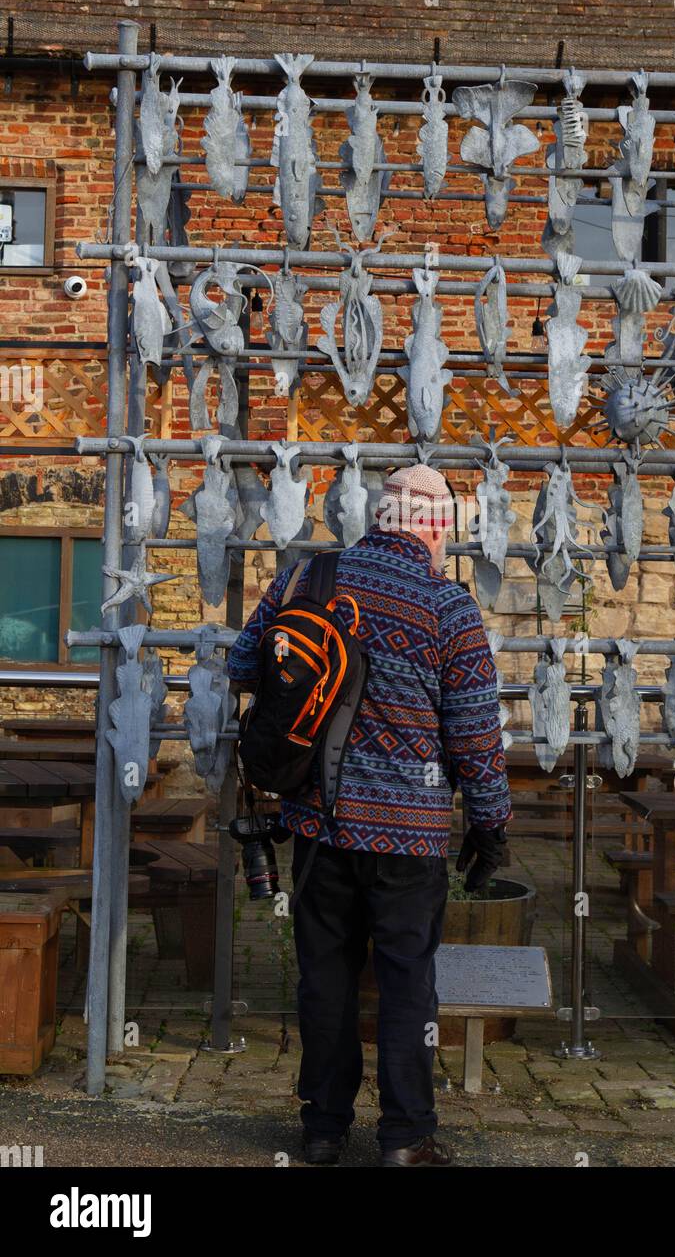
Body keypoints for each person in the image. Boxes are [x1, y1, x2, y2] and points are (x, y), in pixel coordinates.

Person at [227, 463, 512, 1167]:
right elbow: (476, 736)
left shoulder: (305, 579)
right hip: (409, 839)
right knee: (407, 983)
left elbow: (242, 666)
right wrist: (490, 825)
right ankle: (405, 1138)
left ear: (379, 515)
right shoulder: (447, 608)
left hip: (318, 824)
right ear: (434, 528)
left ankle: (323, 1129)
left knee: (324, 979)